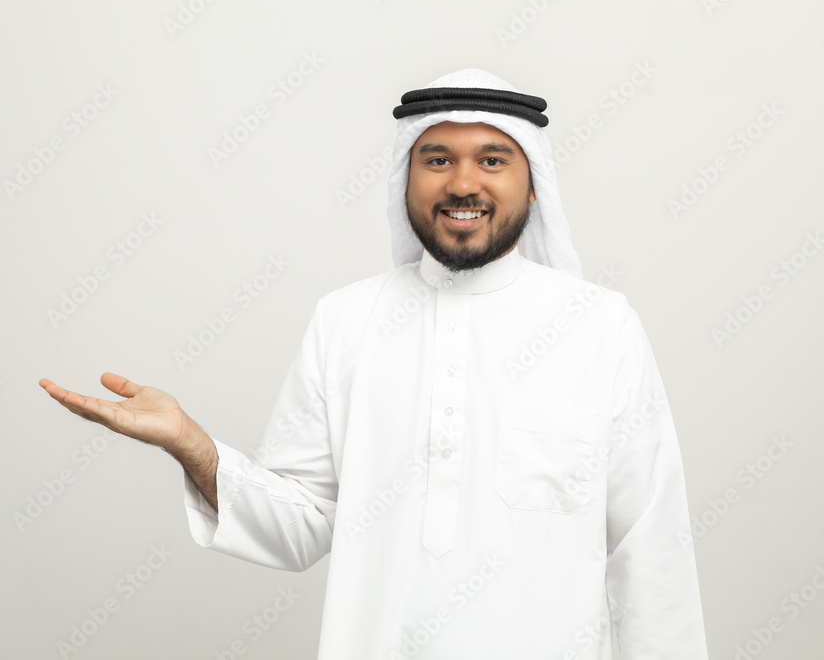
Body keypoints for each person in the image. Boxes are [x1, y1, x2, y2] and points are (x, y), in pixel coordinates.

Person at [40, 68, 709, 659]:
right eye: (438, 159)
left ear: (534, 186)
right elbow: (299, 526)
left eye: (494, 160)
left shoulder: (598, 328)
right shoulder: (347, 321)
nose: (464, 183)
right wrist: (193, 447)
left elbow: (651, 554)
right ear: (405, 180)